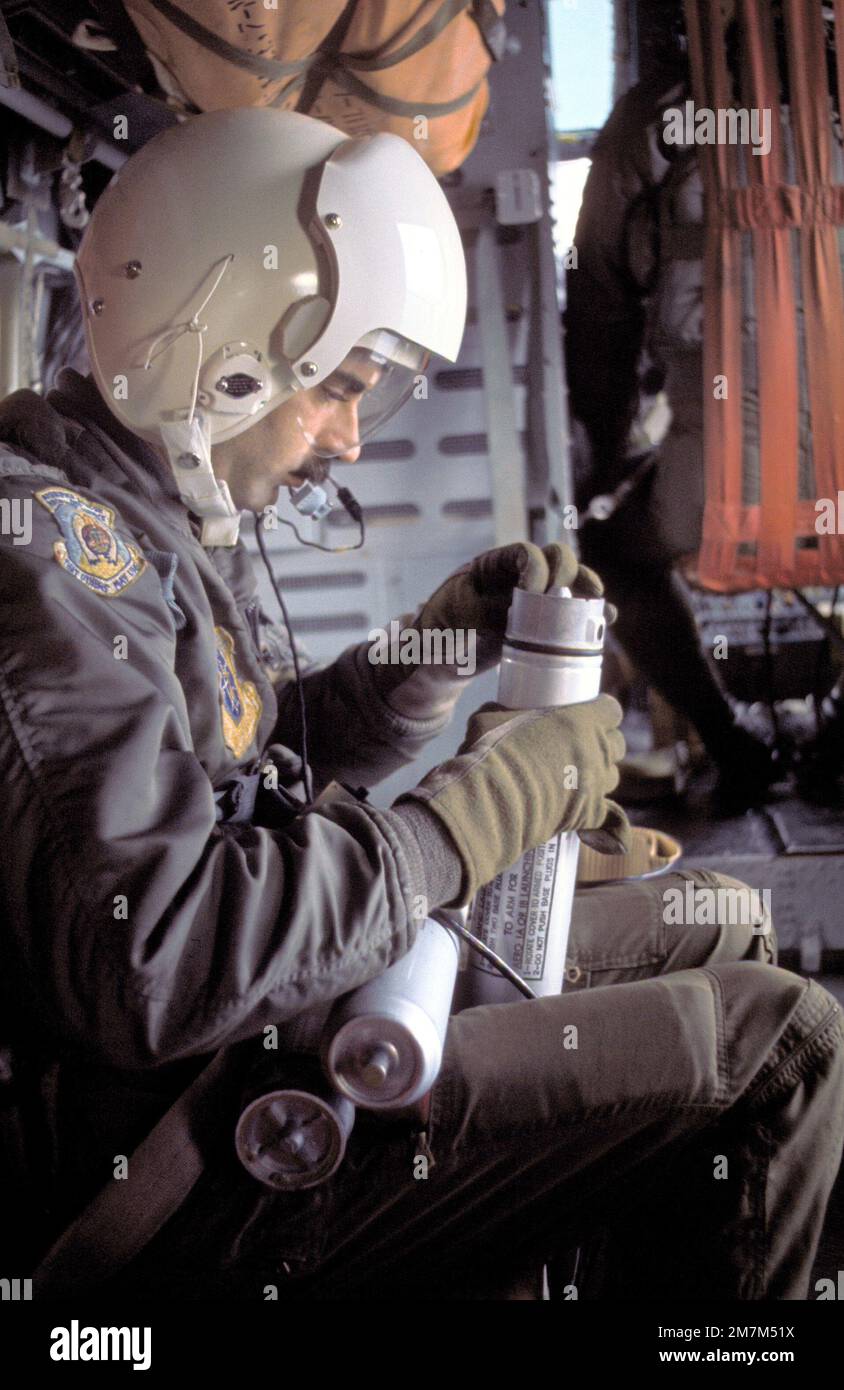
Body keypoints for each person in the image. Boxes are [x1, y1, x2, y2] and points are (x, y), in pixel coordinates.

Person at [0, 108, 841, 1302]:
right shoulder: (45, 559)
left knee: (718, 919)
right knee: (783, 1047)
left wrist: (432, 652)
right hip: (200, 1158)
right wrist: (460, 825)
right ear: (217, 344)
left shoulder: (145, 521)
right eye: (336, 387)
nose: (347, 438)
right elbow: (163, 960)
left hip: (279, 1030)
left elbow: (239, 762)